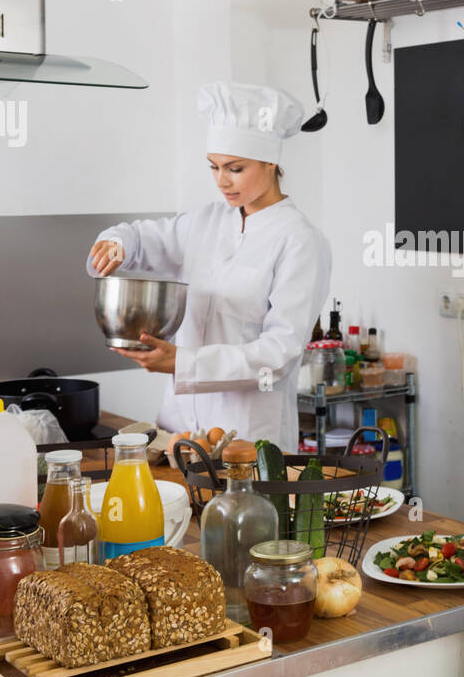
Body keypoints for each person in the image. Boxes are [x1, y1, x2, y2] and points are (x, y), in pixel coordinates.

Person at [87, 82, 331, 452]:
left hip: (249, 440)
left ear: (270, 163)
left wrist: (185, 363)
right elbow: (140, 237)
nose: (222, 180)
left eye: (235, 168)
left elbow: (279, 355)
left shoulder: (300, 241)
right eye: (214, 167)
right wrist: (116, 244)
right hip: (179, 435)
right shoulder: (206, 221)